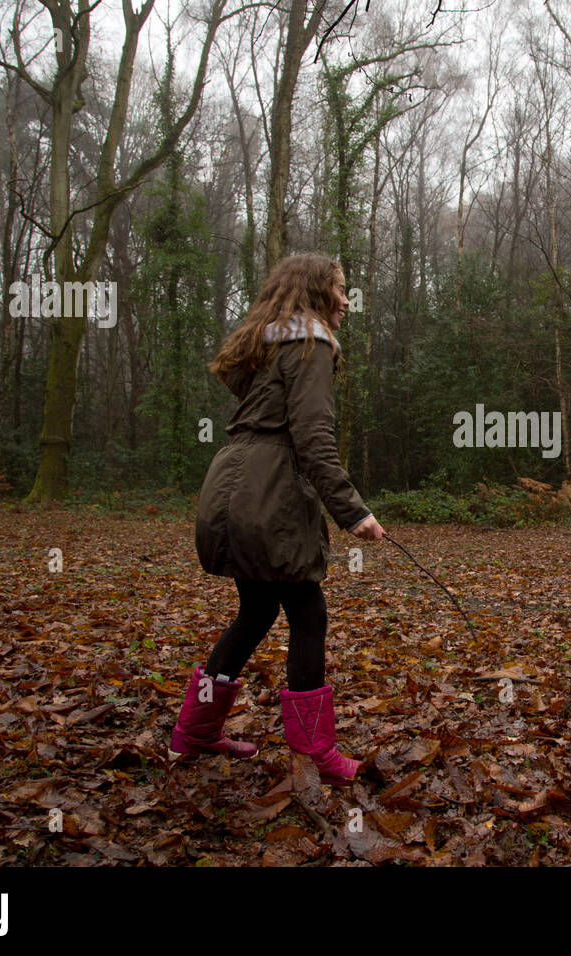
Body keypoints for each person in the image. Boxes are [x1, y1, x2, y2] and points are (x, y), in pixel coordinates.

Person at [170, 252, 384, 785]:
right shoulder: (310, 343)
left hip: (229, 487)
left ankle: (194, 732)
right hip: (269, 494)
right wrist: (352, 511)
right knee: (308, 613)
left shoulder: (264, 345)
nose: (345, 301)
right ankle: (314, 754)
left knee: (256, 612)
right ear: (316, 292)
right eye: (339, 289)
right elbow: (313, 437)